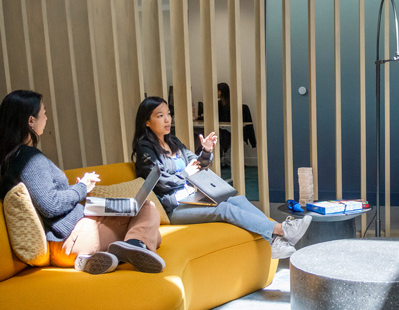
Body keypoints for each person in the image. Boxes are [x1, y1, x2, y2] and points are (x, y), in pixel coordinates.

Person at [0, 90, 164, 275]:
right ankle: (133, 246)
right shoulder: (29, 159)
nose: (46, 118)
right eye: (44, 113)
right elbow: (50, 205)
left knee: (144, 221)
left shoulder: (14, 159)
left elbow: (45, 198)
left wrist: (78, 188)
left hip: (69, 238)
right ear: (31, 121)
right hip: (70, 239)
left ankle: (103, 256)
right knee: (148, 215)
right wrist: (82, 187)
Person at [131, 96, 309, 259]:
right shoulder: (144, 148)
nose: (167, 120)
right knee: (224, 209)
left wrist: (206, 151)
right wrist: (186, 174)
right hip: (174, 208)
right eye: (160, 116)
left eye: (168, 114)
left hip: (192, 197)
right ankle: (281, 230)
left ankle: (273, 241)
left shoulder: (172, 141)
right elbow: (160, 181)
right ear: (147, 121)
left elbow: (198, 165)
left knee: (237, 200)